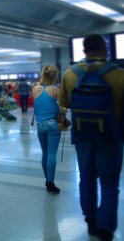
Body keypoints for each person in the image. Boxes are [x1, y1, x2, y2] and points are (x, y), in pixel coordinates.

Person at [59, 34, 124, 241]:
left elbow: (64, 103)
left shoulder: (70, 74)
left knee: (86, 177)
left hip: (82, 134)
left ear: (84, 50)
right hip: (111, 135)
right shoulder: (119, 74)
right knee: (109, 182)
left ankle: (90, 220)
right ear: (105, 48)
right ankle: (106, 229)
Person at [32, 65, 61, 194]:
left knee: (45, 153)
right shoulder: (55, 90)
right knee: (51, 154)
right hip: (53, 125)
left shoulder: (35, 89)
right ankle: (51, 182)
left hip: (40, 125)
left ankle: (47, 180)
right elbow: (63, 107)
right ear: (54, 76)